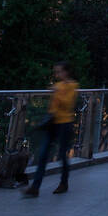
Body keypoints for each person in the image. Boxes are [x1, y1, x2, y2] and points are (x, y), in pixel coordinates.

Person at [23, 61, 79, 198]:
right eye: (56, 72)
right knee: (43, 155)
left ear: (66, 72)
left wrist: (58, 93)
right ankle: (35, 187)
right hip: (53, 123)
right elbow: (54, 106)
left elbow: (67, 105)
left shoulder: (73, 86)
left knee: (62, 155)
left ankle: (64, 183)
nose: (57, 74)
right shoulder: (57, 86)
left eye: (59, 71)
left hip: (65, 124)